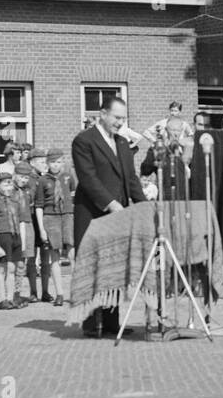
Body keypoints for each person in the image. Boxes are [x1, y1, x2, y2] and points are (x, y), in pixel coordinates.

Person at [71, 95, 146, 338]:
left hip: (118, 217)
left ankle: (112, 323)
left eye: (123, 119)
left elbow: (130, 179)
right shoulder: (84, 141)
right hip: (93, 214)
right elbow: (88, 178)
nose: (119, 123)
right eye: (116, 117)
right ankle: (92, 324)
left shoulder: (123, 143)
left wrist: (144, 205)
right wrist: (111, 204)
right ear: (102, 114)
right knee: (94, 268)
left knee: (114, 268)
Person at [35, 148, 72, 306]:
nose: (56, 165)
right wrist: (42, 229)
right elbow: (39, 205)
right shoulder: (43, 181)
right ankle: (59, 293)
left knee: (72, 254)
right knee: (54, 256)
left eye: (59, 162)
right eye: (53, 162)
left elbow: (75, 196)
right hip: (51, 218)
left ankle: (77, 292)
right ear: (48, 163)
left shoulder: (68, 177)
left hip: (68, 215)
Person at [0, 168, 25, 309]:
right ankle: (1, 299)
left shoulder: (15, 200)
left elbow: (21, 221)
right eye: (4, 185)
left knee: (12, 268)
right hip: (2, 235)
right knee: (1, 268)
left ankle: (10, 298)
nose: (8, 187)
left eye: (10, 184)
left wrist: (22, 241)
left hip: (15, 235)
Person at [12, 161, 38, 305]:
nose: (23, 180)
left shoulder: (29, 190)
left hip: (27, 224)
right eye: (21, 177)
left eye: (26, 177)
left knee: (23, 261)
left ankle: (17, 292)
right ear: (15, 175)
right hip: (14, 226)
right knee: (13, 262)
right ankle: (10, 293)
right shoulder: (9, 189)